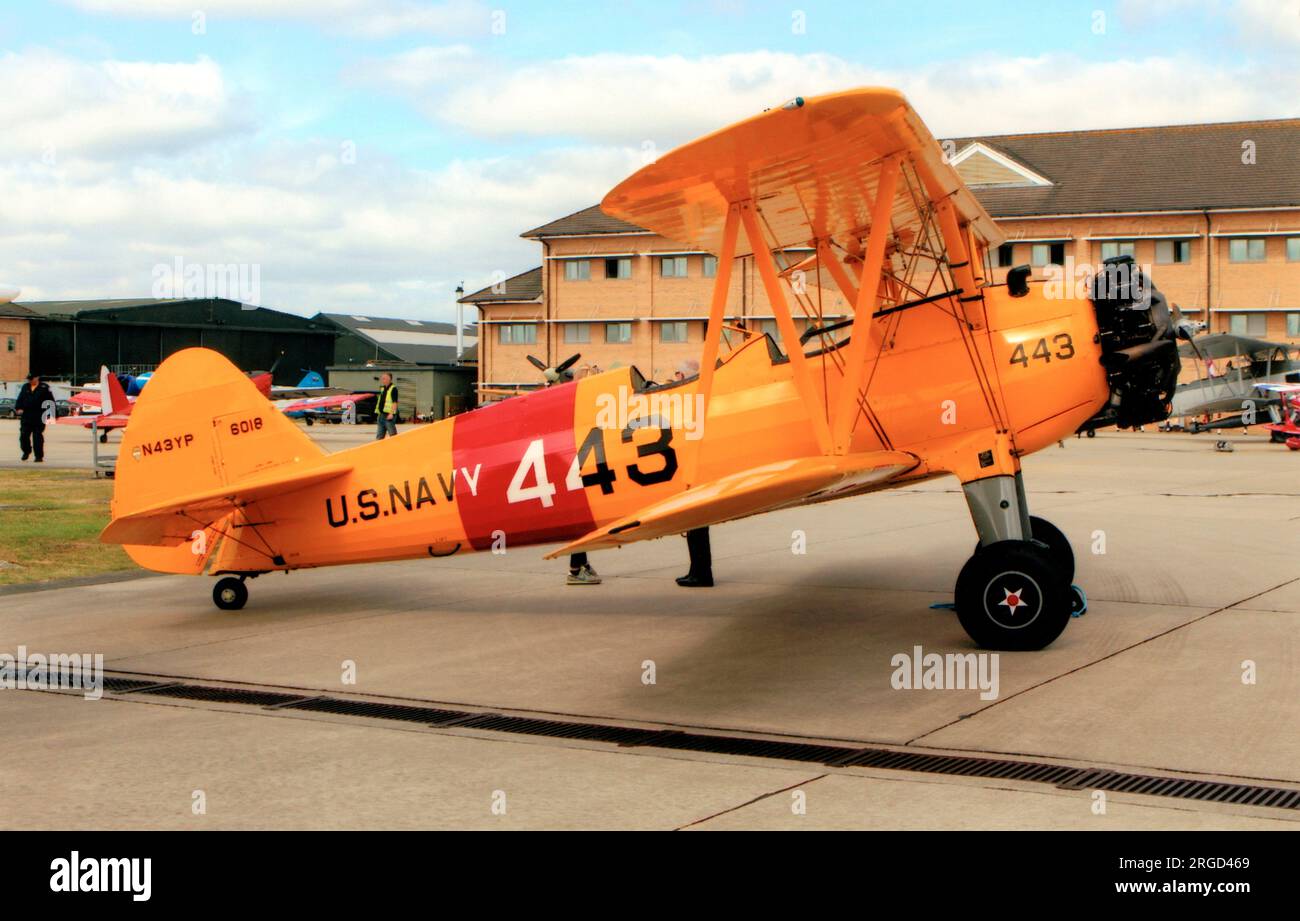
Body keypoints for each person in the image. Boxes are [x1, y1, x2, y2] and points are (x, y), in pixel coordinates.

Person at [15, 372, 54, 463]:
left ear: (37, 378)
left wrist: (50, 416)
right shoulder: (25, 387)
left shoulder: (44, 388)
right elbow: (20, 398)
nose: (29, 380)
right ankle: (26, 451)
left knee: (37, 437)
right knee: (23, 436)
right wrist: (18, 408)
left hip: (39, 416)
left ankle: (38, 456)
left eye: (31, 379)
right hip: (26, 416)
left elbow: (50, 401)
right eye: (29, 379)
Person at [375, 372, 398, 440]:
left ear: (389, 379)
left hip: (388, 416)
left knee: (393, 435)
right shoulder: (383, 389)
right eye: (382, 378)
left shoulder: (393, 389)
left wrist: (391, 414)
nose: (382, 380)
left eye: (384, 378)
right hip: (381, 415)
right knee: (379, 437)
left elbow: (395, 403)